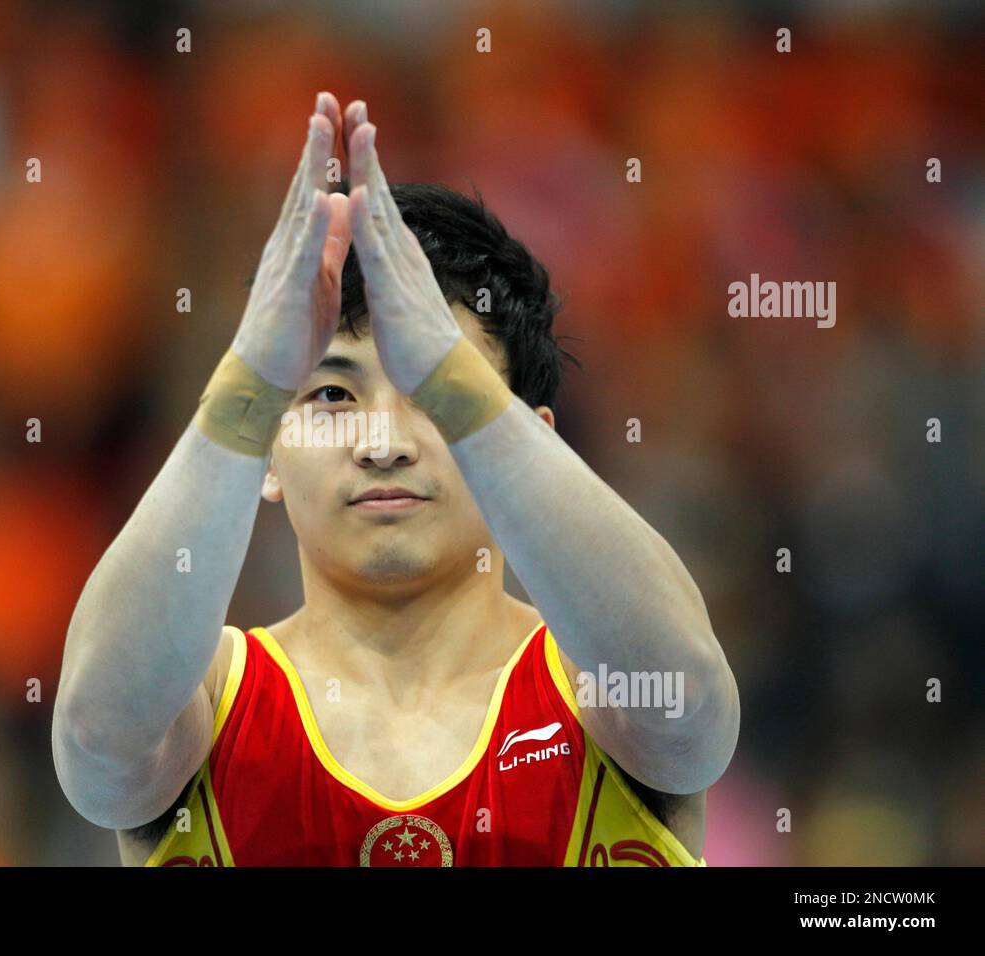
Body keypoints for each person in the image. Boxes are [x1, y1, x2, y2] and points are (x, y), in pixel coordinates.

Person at [51, 92, 740, 866]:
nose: (382, 444)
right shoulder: (206, 705)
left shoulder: (600, 694)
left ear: (527, 450)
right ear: (269, 457)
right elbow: (95, 743)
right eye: (333, 395)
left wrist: (454, 376)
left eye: (435, 397)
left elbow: (692, 708)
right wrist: (251, 382)